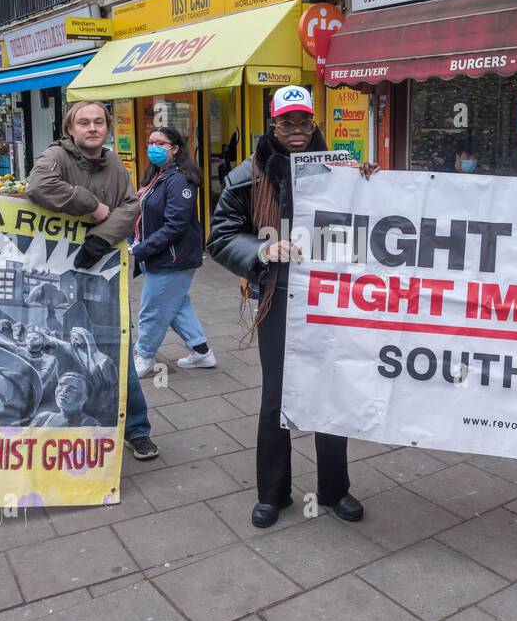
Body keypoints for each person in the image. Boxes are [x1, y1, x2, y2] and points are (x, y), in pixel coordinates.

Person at [207, 85, 376, 528]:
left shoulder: (342, 169)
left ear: (314, 123)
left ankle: (335, 490)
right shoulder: (247, 175)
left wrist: (372, 184)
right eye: (287, 122)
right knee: (276, 396)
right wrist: (262, 252)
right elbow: (221, 237)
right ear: (273, 124)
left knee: (331, 388)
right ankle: (273, 493)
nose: (296, 130)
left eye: (304, 122)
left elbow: (372, 220)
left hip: (332, 296)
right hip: (280, 299)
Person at [27, 100, 159, 461]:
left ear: (107, 127)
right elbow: (39, 185)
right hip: (59, 278)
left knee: (116, 350)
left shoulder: (115, 164)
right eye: (83, 122)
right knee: (59, 352)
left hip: (102, 275)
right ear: (70, 129)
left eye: (98, 121)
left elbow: (131, 206)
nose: (91, 127)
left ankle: (136, 429)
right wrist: (89, 204)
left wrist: (101, 239)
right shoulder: (57, 156)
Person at [130, 125, 215, 378]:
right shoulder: (158, 176)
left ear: (175, 149)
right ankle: (202, 353)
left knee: (153, 309)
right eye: (150, 142)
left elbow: (175, 225)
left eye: (160, 143)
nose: (153, 147)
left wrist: (143, 248)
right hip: (161, 255)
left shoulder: (179, 180)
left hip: (172, 258)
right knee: (176, 305)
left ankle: (144, 357)